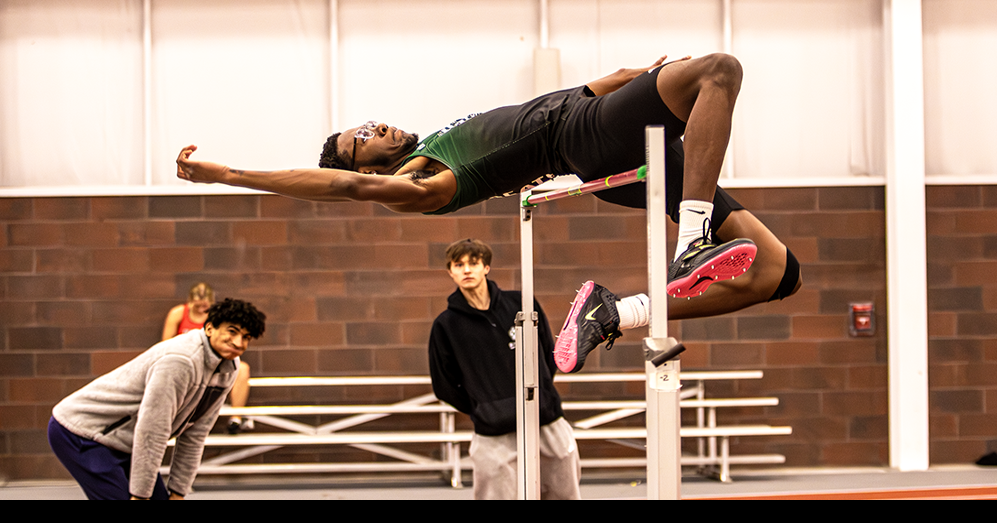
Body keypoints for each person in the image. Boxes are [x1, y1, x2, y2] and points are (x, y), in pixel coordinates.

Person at [176, 53, 801, 371]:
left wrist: (636, 75)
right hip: (583, 136)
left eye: (365, 123)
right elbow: (341, 190)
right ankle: (692, 242)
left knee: (774, 271)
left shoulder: (435, 141)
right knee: (720, 70)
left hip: (598, 120)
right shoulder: (427, 183)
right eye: (360, 139)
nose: (375, 127)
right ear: (363, 169)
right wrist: (229, 174)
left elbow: (583, 87)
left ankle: (619, 312)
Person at [48, 298, 266, 500]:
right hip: (83, 432)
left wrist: (179, 492)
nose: (238, 342)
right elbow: (153, 428)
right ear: (209, 328)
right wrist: (141, 495)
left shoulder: (229, 368)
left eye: (246, 337)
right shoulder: (180, 361)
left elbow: (196, 433)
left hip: (125, 442)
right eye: (232, 331)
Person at [428, 239, 580, 499]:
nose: (466, 270)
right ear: (450, 272)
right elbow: (444, 383)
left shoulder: (521, 304)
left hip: (544, 420)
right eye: (459, 264)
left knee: (563, 494)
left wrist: (539, 394)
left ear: (486, 267)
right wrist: (483, 406)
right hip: (492, 432)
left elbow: (547, 353)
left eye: (473, 263)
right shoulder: (446, 325)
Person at [162, 282, 253, 433]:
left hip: (213, 362)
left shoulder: (216, 317)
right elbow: (166, 344)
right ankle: (174, 416)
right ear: (190, 302)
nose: (201, 310)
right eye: (197, 306)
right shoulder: (178, 313)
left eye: (204, 306)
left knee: (242, 368)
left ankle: (235, 419)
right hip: (185, 363)